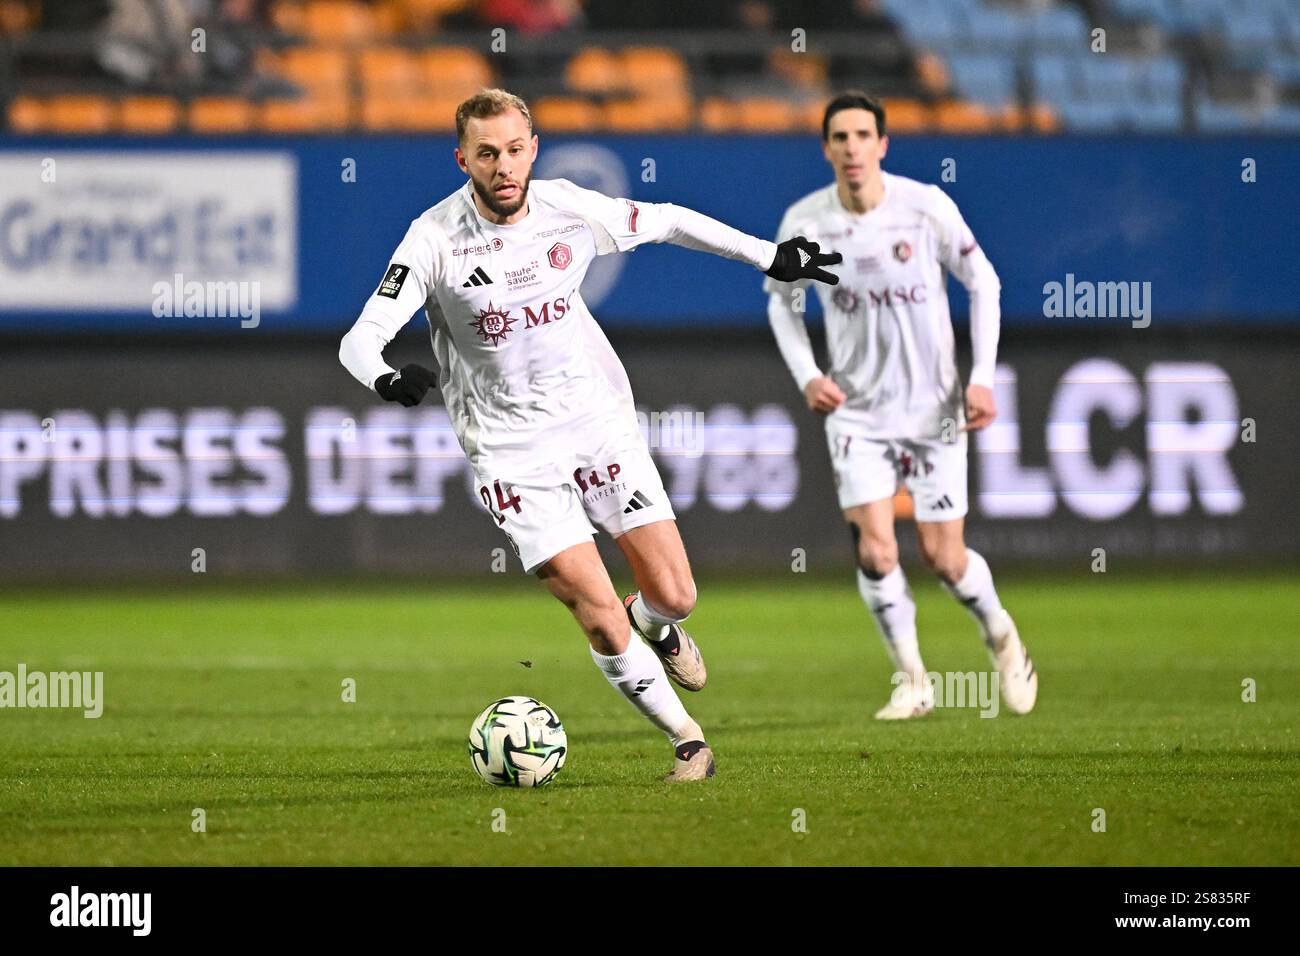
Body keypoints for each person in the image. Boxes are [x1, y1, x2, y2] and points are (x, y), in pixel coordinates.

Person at [339, 88, 841, 778]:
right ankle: (688, 742)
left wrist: (769, 257)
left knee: (676, 594)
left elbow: (668, 221)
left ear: (533, 148)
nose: (503, 166)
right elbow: (360, 338)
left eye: (515, 150)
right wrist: (385, 378)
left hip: (595, 423)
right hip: (509, 450)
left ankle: (658, 624)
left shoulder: (570, 209)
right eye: (486, 154)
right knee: (597, 611)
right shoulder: (434, 239)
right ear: (463, 159)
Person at [765, 91, 1037, 720]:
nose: (852, 147)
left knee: (944, 558)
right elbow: (782, 304)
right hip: (856, 412)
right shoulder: (806, 222)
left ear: (882, 145)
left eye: (864, 135)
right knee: (876, 550)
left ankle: (1000, 633)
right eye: (840, 137)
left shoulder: (925, 207)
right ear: (827, 148)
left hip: (934, 410)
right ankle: (914, 680)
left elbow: (984, 282)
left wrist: (983, 378)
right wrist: (808, 374)